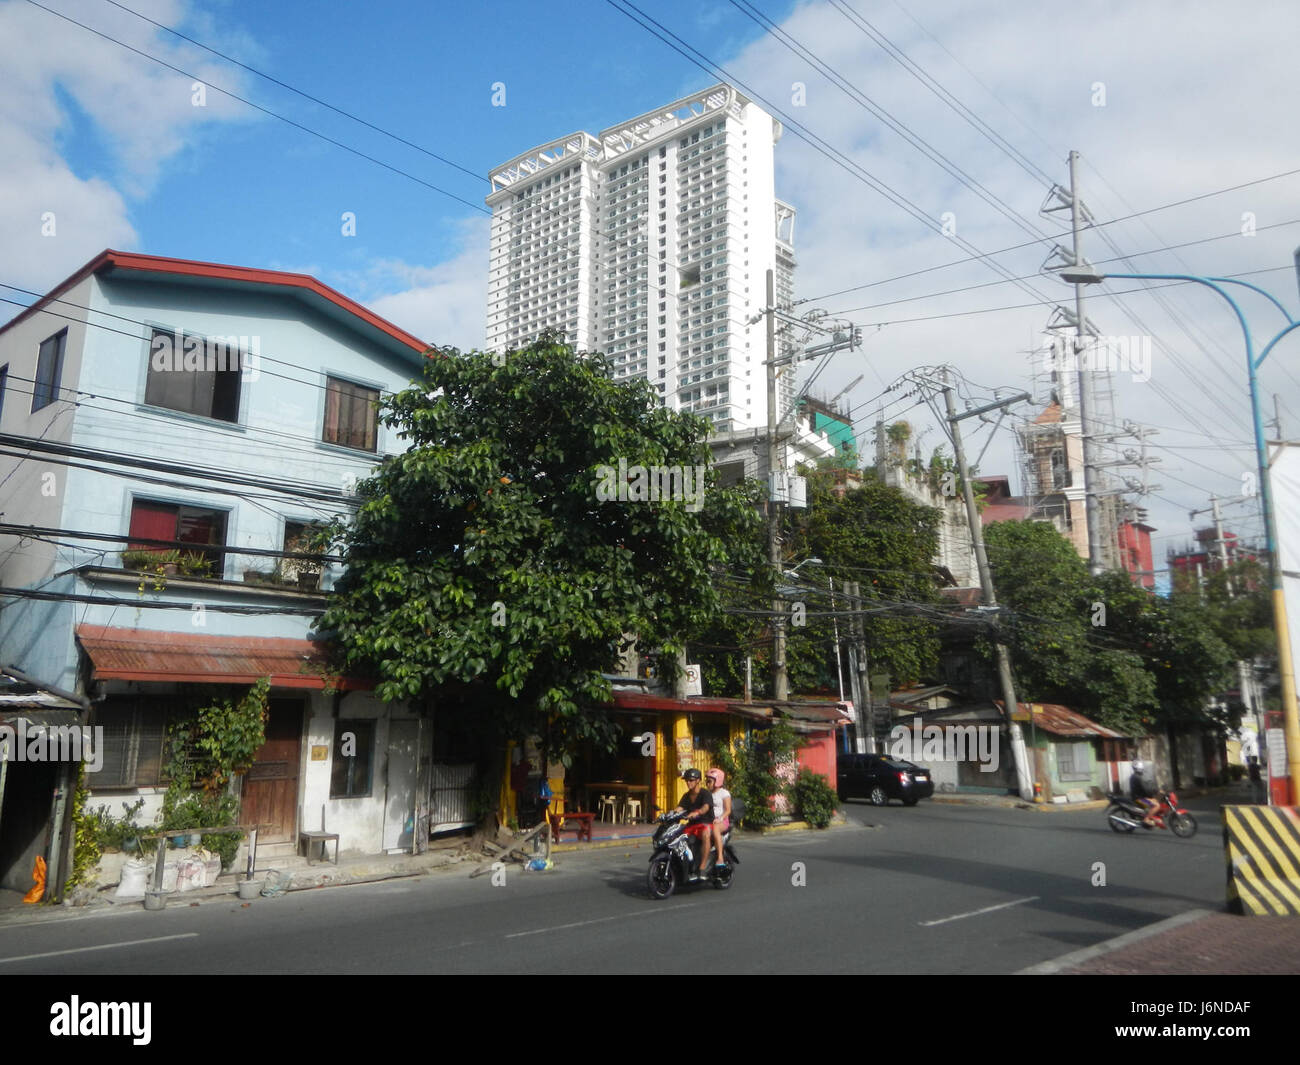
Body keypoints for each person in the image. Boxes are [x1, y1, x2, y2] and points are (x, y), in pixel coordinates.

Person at [670, 768, 713, 873]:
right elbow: (679, 808)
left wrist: (697, 812)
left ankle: (703, 866)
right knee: (677, 837)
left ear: (698, 780)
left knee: (706, 834)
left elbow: (705, 807)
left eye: (691, 780)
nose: (688, 782)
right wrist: (669, 814)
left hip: (705, 824)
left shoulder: (705, 793)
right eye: (687, 780)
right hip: (691, 826)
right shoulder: (686, 795)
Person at [701, 768, 732, 872]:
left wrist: (720, 818)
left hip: (722, 822)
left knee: (715, 829)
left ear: (717, 781)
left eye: (709, 781)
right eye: (706, 780)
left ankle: (720, 858)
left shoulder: (724, 793)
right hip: (709, 821)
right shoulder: (706, 794)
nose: (707, 783)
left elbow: (728, 810)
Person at [1129, 759, 1161, 827]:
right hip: (1139, 799)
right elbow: (1145, 789)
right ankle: (1146, 819)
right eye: (1141, 767)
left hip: (1138, 797)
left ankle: (1152, 817)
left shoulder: (1135, 776)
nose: (1142, 769)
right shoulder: (1138, 778)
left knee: (1155, 801)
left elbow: (1146, 786)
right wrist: (1154, 792)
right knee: (1157, 805)